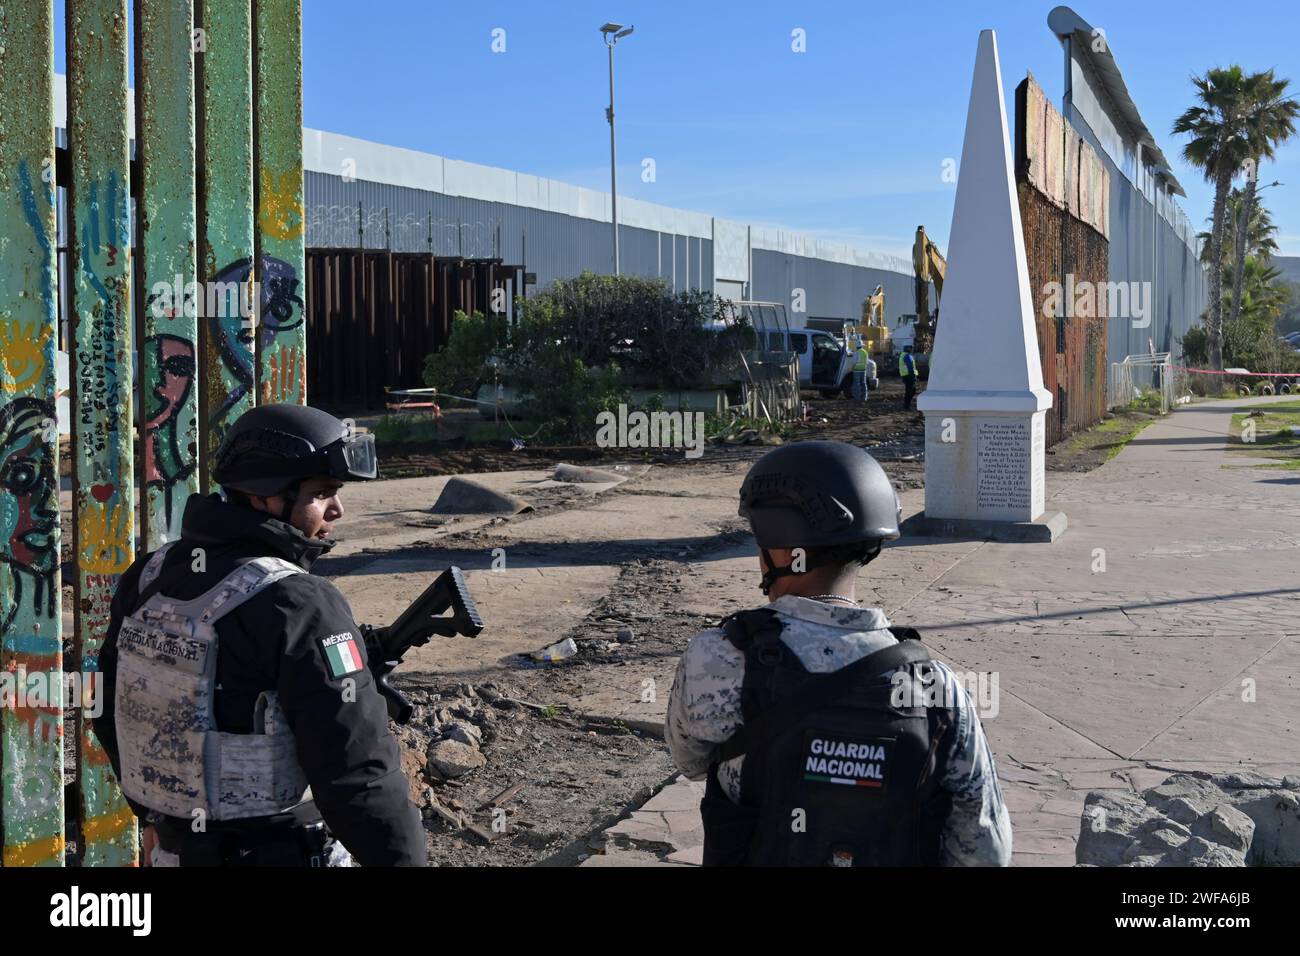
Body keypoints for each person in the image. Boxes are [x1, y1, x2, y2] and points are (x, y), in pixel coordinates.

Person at [95, 403, 426, 867]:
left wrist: (154, 817)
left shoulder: (150, 575)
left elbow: (107, 705)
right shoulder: (301, 603)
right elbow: (357, 772)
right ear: (262, 496)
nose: (338, 509)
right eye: (321, 492)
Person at [665, 441, 1012, 866]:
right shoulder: (935, 685)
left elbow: (691, 761)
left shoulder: (718, 658)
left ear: (778, 550)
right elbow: (985, 848)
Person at [851, 337, 871, 404]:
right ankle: (864, 398)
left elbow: (854, 362)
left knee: (857, 385)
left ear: (856, 346)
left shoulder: (856, 353)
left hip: (857, 370)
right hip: (863, 370)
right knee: (863, 384)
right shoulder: (865, 352)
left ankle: (858, 398)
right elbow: (867, 362)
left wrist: (852, 369)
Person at [899, 344, 918, 411]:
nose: (912, 349)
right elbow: (910, 366)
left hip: (905, 376)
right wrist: (913, 375)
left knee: (910, 391)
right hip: (909, 376)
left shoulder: (903, 355)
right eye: (910, 348)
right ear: (907, 348)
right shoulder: (907, 356)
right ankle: (906, 406)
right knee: (910, 391)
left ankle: (906, 405)